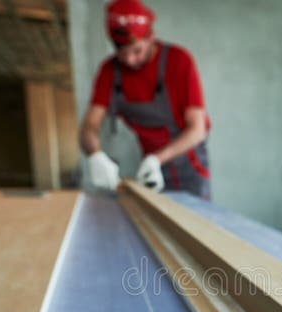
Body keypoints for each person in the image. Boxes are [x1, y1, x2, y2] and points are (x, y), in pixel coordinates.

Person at [79, 0, 211, 199]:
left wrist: (157, 159)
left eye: (137, 50)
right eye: (122, 53)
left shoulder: (179, 61)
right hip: (148, 164)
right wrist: (95, 154)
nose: (130, 60)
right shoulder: (109, 71)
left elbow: (197, 129)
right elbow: (89, 126)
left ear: (151, 37)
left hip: (189, 162)